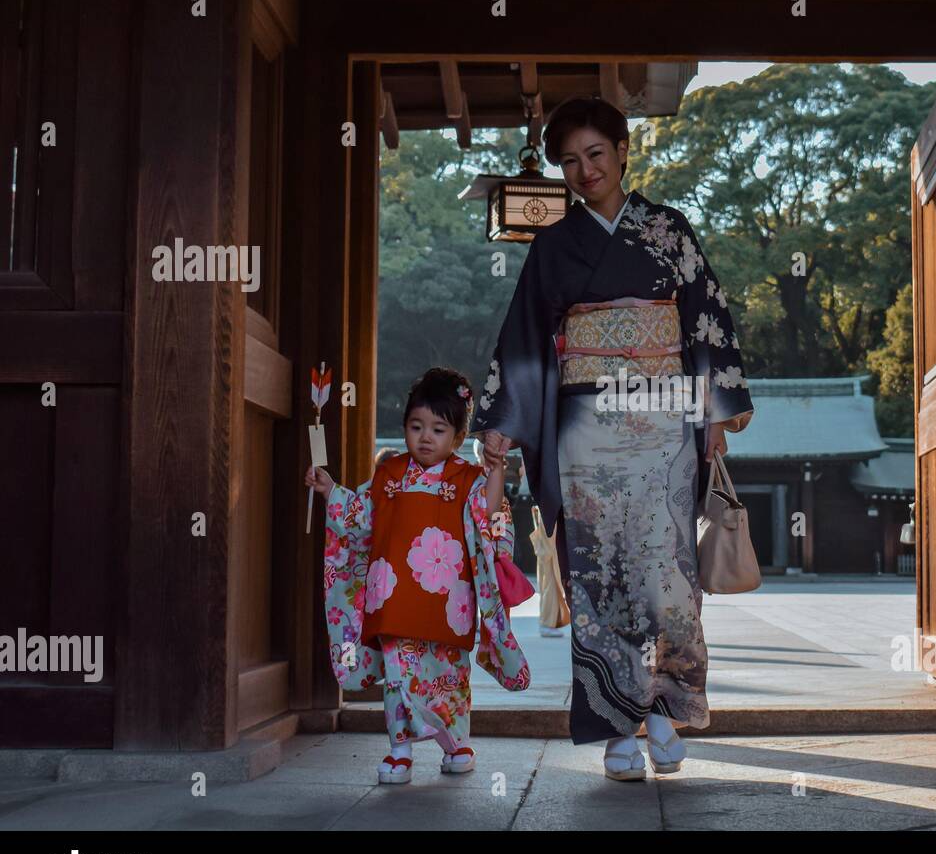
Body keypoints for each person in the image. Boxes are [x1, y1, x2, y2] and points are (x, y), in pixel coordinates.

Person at [470, 96, 754, 781]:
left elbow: (705, 320)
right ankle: (614, 724)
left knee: (669, 574)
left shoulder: (669, 230)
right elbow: (527, 340)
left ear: (624, 151)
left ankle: (666, 709)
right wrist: (502, 427)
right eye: (569, 160)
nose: (584, 170)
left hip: (664, 422)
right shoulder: (553, 247)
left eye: (596, 154)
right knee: (600, 576)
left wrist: (715, 412)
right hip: (584, 430)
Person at [306, 367, 530, 784]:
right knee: (398, 674)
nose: (425, 437)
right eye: (416, 426)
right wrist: (330, 490)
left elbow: (488, 512)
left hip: (449, 599)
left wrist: (496, 470)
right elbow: (360, 518)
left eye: (438, 429)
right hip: (393, 593)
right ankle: (400, 750)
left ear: (459, 438)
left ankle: (457, 743)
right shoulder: (389, 474)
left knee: (449, 675)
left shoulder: (467, 479)